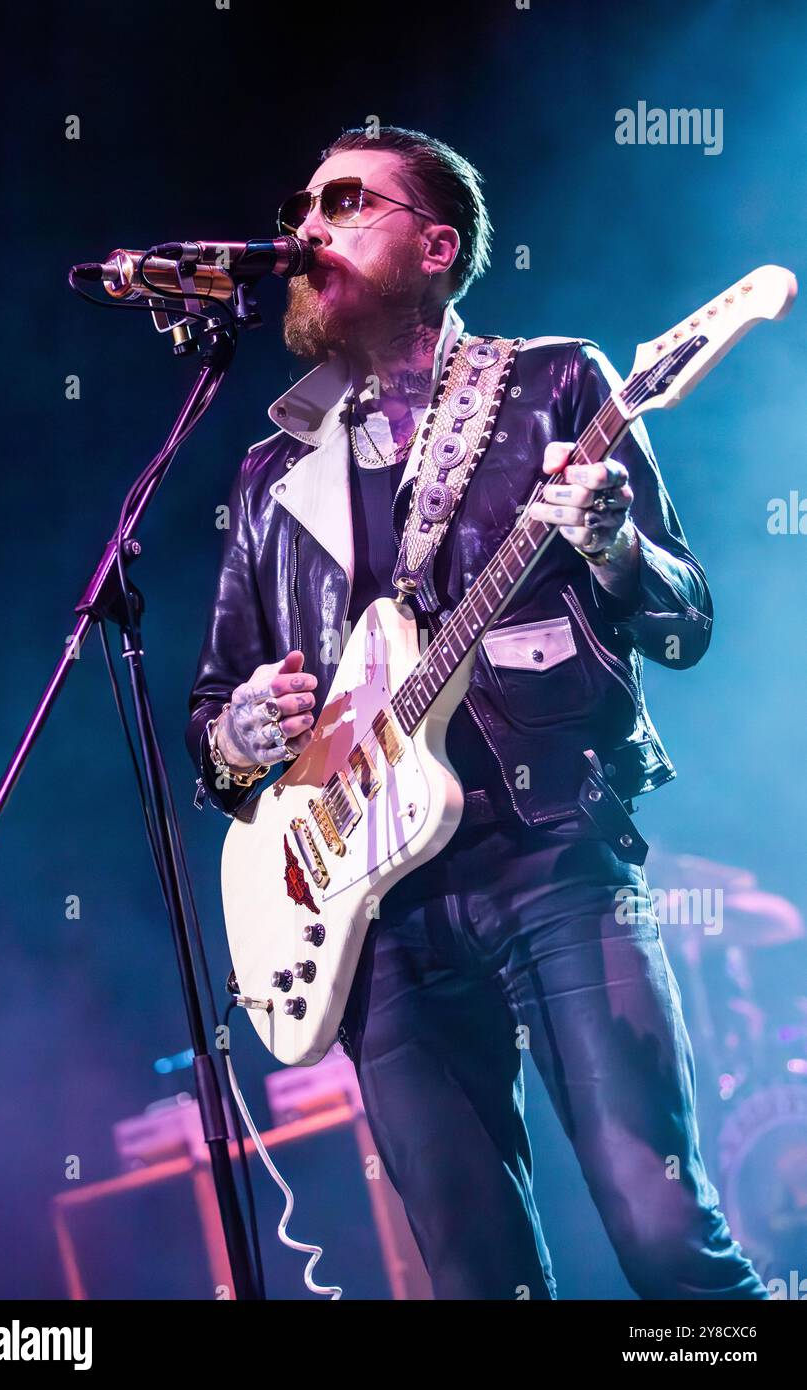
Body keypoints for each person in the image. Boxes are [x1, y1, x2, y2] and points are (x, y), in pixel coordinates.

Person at [186, 126, 767, 1300]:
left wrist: (606, 545)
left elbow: (684, 621)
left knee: (664, 1240)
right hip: (374, 920)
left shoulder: (554, 382)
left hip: (547, 854)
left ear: (435, 246)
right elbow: (214, 717)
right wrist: (241, 735)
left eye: (346, 201)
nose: (306, 227)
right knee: (473, 1280)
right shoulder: (268, 476)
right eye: (301, 201)